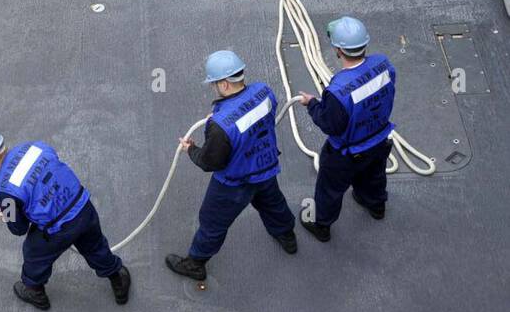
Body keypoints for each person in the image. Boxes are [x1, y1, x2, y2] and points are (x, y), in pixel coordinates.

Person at [166, 50, 298, 280]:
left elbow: (211, 162)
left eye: (214, 84)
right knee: (273, 203)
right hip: (265, 168)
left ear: (225, 84)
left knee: (212, 222)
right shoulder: (264, 92)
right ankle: (287, 236)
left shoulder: (219, 127)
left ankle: (196, 263)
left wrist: (191, 149)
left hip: (234, 185)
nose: (214, 88)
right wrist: (221, 112)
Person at [0, 128, 130, 309]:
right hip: (83, 207)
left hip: (58, 230)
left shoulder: (5, 190)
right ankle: (118, 279)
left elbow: (18, 229)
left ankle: (35, 291)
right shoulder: (35, 147)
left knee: (33, 253)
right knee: (95, 246)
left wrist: (7, 214)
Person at [295, 17, 396, 241]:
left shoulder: (338, 90)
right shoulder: (384, 64)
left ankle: (321, 225)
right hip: (378, 141)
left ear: (339, 50)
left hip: (346, 153)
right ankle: (376, 206)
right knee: (374, 175)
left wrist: (312, 104)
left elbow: (330, 125)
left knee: (329, 189)